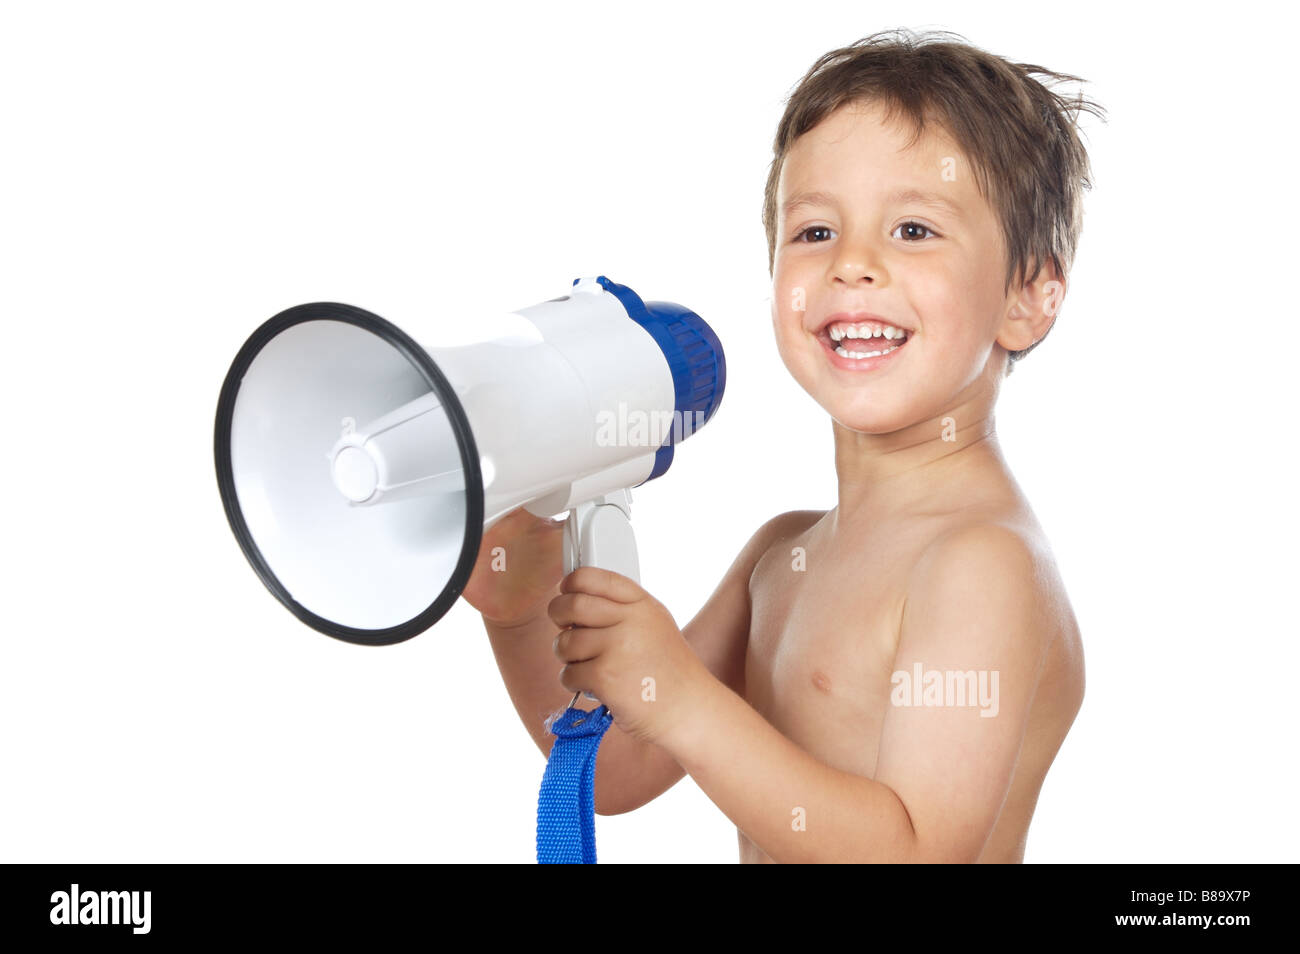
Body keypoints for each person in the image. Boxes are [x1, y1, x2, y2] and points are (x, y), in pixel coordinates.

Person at [463, 27, 1103, 863]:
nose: (853, 265)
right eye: (813, 232)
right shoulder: (780, 556)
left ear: (1029, 296)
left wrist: (687, 698)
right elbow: (615, 770)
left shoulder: (982, 565)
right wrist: (519, 609)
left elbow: (913, 851)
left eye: (913, 230)